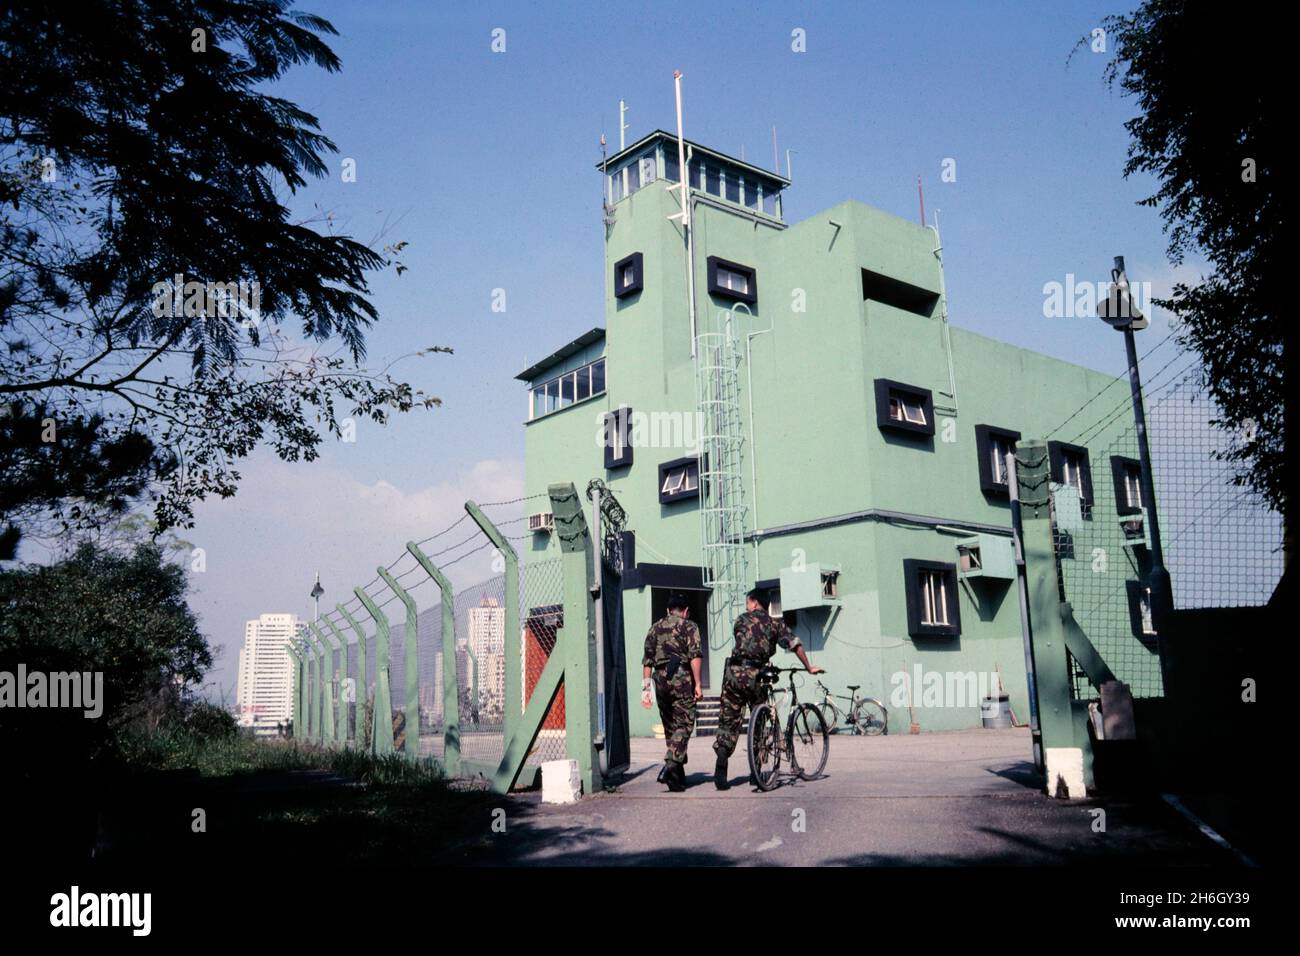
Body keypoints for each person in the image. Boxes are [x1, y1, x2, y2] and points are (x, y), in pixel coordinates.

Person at [713, 588, 824, 790]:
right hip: (756, 674)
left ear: (755, 602)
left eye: (748, 602)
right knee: (759, 721)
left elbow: (744, 640)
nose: (747, 605)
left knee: (728, 720)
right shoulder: (775, 623)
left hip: (733, 673)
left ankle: (721, 761)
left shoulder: (740, 619)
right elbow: (794, 644)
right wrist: (809, 666)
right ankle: (756, 773)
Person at [641, 593, 703, 791]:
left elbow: (647, 660)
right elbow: (695, 656)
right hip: (680, 677)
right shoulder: (689, 626)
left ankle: (677, 776)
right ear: (685, 611)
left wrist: (646, 689)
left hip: (659, 680)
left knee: (670, 727)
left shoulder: (655, 628)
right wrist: (698, 683)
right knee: (684, 724)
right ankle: (670, 765)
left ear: (668, 610)